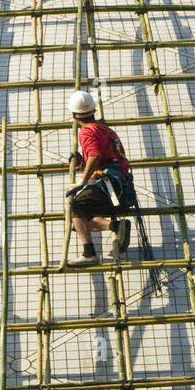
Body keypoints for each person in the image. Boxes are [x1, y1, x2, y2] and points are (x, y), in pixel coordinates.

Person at [65, 89, 134, 265]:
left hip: (108, 183)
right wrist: (82, 161)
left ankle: (89, 253)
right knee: (78, 222)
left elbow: (95, 156)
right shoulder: (104, 129)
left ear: (73, 114)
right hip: (119, 185)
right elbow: (101, 157)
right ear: (93, 110)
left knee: (76, 207)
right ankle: (116, 226)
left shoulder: (87, 131)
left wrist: (82, 181)